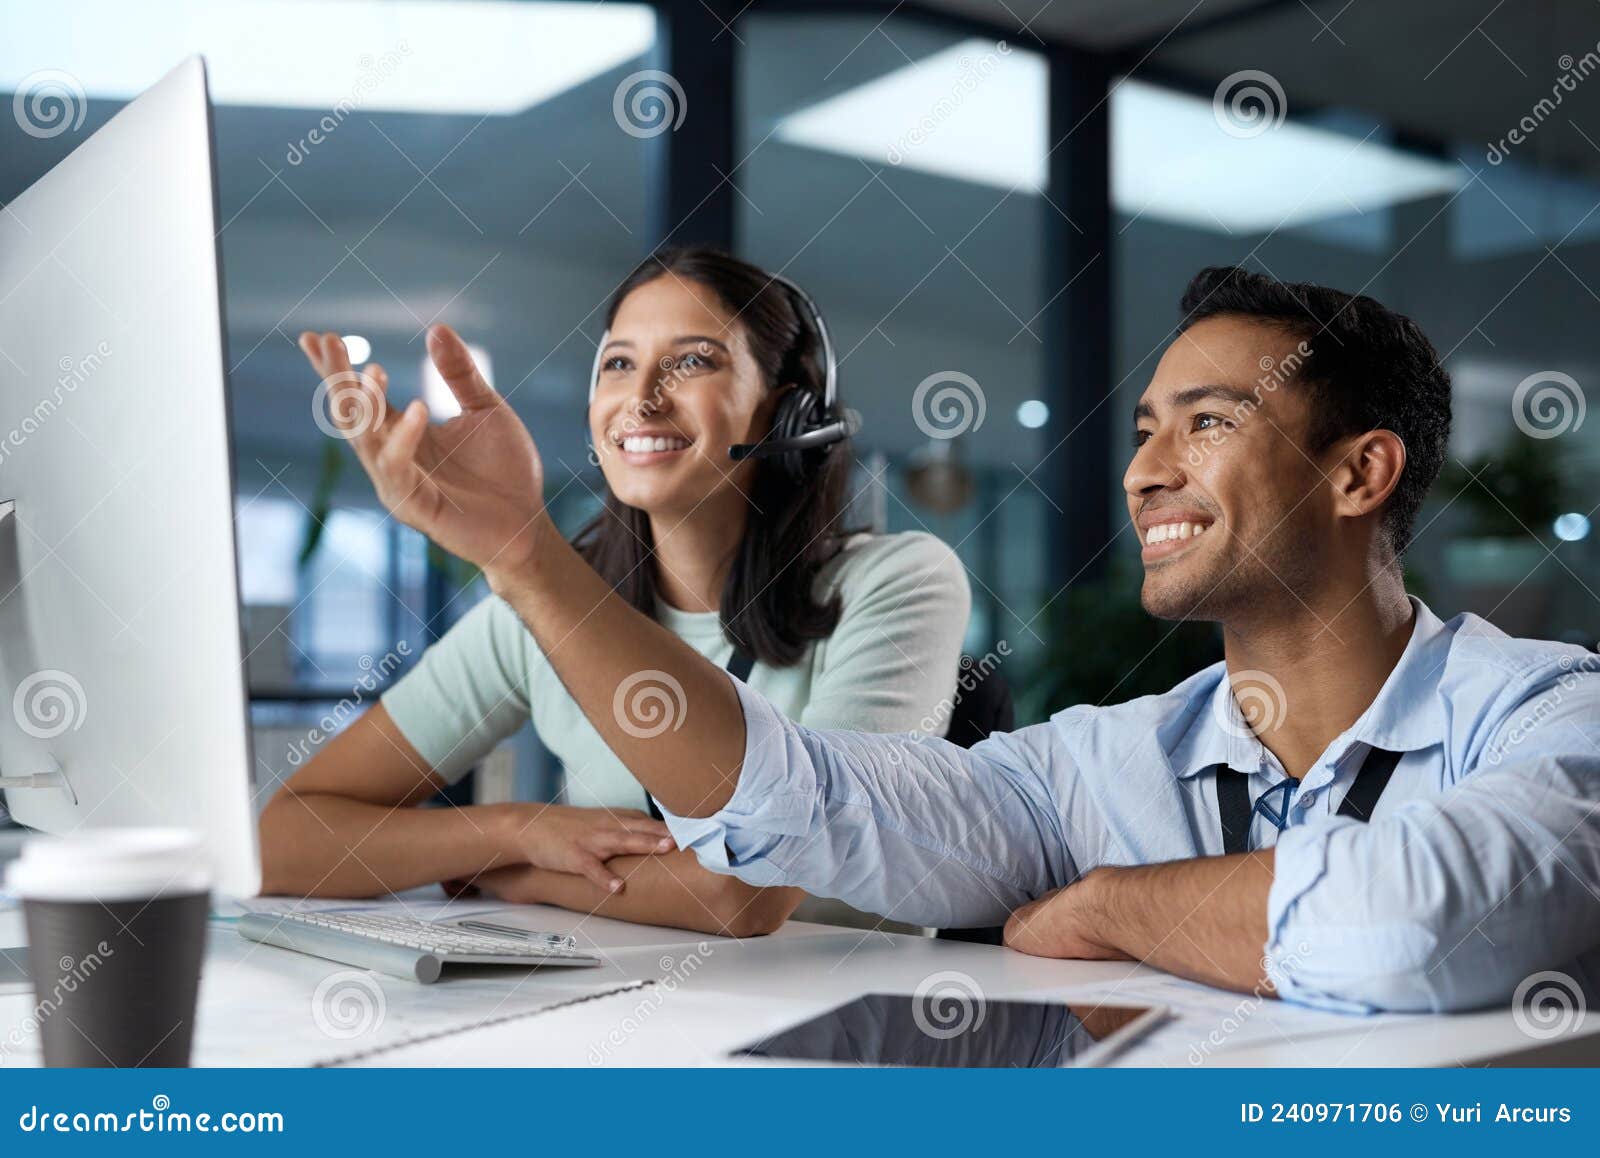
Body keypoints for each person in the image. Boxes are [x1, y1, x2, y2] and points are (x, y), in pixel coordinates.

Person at [297, 262, 1600, 1013]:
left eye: (1203, 421)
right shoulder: (1092, 766)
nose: (1144, 468)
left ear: (1358, 474)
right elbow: (801, 806)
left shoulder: (1555, 711)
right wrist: (525, 551)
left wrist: (1110, 905)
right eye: (1141, 427)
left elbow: (1421, 922)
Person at [257, 247, 970, 937]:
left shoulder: (898, 583)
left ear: (786, 414)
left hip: (841, 1030)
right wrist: (516, 831)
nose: (643, 398)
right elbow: (280, 841)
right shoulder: (538, 608)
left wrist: (516, 875)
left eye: (693, 360)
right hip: (622, 1015)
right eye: (620, 363)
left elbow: (747, 895)